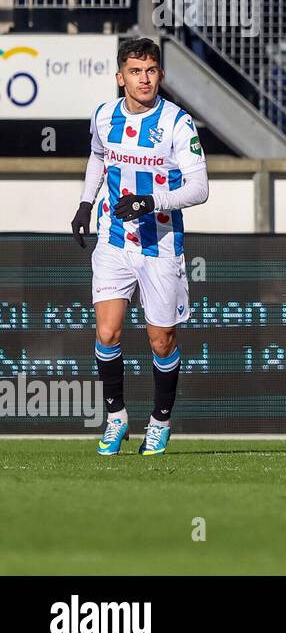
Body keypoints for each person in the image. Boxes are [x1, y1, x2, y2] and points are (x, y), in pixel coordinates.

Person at [70, 37, 211, 457]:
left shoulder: (177, 123)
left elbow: (200, 187)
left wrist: (152, 202)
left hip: (160, 243)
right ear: (121, 77)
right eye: (135, 71)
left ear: (160, 75)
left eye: (151, 70)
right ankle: (116, 418)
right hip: (113, 239)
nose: (144, 78)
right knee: (107, 331)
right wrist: (84, 203)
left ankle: (160, 421)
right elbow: (99, 157)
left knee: (161, 340)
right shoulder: (103, 116)